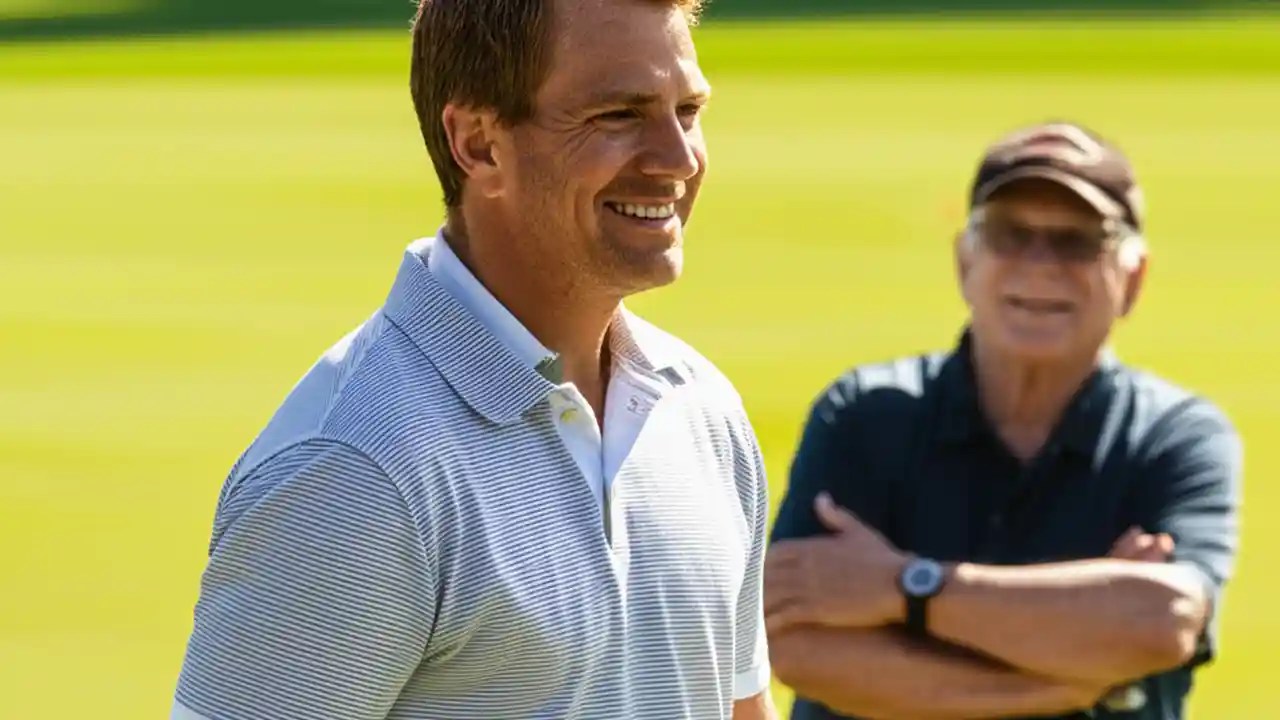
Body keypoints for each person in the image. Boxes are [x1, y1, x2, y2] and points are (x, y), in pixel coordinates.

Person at [168, 0, 777, 718]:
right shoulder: (354, 469)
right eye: (619, 115)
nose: (679, 159)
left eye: (689, 111)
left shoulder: (702, 411)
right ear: (480, 145)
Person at [763, 121, 1243, 720]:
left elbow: (1163, 620)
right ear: (965, 260)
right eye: (1009, 234)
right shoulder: (865, 413)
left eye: (1078, 242)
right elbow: (796, 645)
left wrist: (900, 587)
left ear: (1134, 278)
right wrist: (1076, 678)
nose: (1039, 266)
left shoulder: (1175, 436)